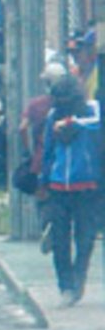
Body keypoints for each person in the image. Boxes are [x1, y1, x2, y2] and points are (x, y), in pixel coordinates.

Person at [38, 75, 100, 306]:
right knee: (59, 241)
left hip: (87, 187)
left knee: (85, 239)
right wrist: (44, 182)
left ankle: (78, 280)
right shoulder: (52, 116)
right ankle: (65, 286)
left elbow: (97, 122)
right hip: (58, 187)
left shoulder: (92, 110)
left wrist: (71, 123)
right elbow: (48, 150)